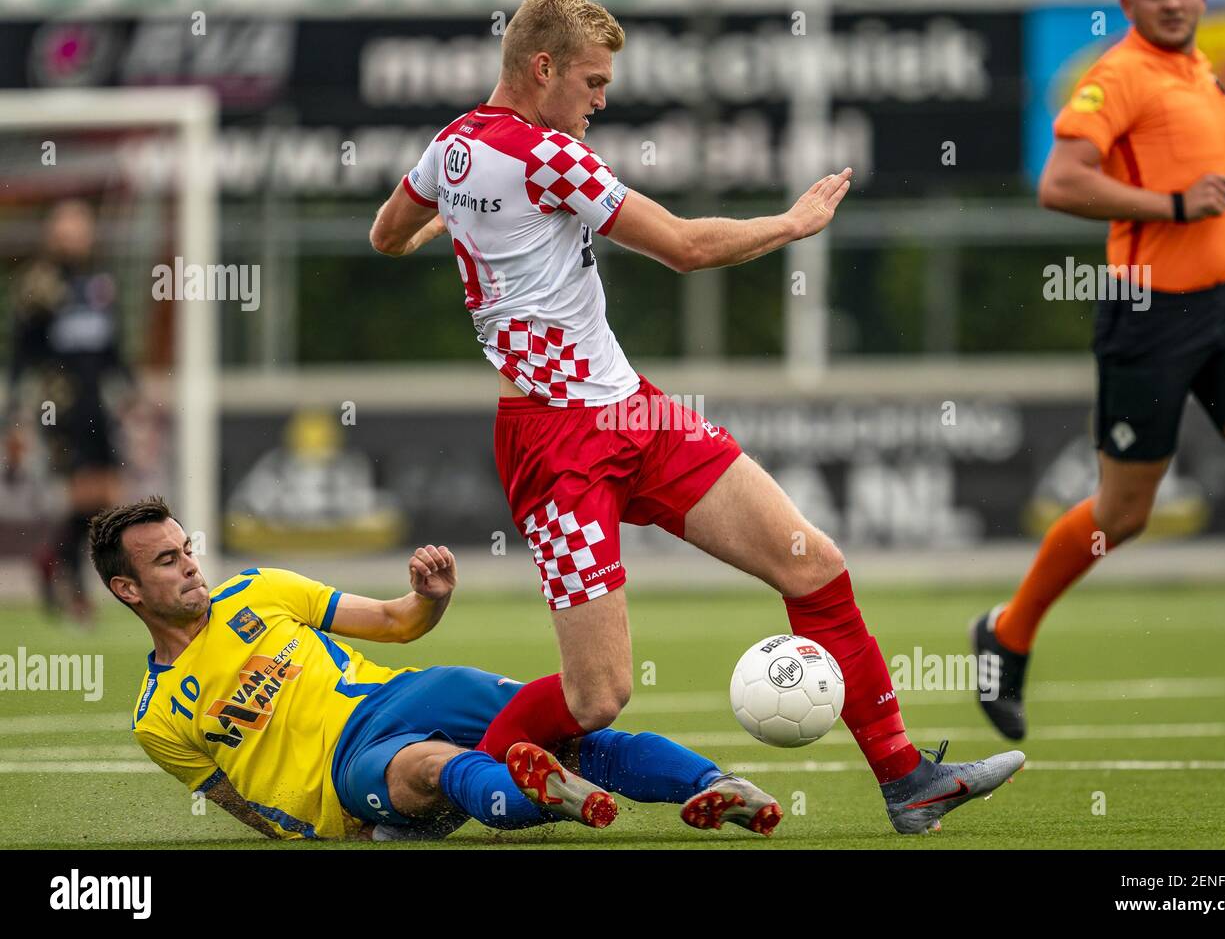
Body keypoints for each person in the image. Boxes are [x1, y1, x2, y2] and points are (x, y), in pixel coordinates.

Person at [368, 0, 1023, 833]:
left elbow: (388, 234)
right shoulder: (548, 155)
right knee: (597, 696)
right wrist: (790, 224)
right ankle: (453, 787)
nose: (602, 100)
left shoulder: (450, 149)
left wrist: (457, 227)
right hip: (556, 442)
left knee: (812, 563)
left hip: (634, 413)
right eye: (593, 81)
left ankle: (906, 779)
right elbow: (682, 247)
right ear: (543, 68)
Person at [970, 0, 1225, 742]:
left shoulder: (1200, 67)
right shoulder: (1117, 75)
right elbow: (1061, 182)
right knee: (1123, 514)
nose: (1173, 3)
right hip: (1150, 318)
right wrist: (1177, 208)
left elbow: (1191, 173)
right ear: (1127, 1)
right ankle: (1007, 632)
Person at [91, 496, 784, 841]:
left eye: (186, 550)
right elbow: (241, 806)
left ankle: (715, 786)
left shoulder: (257, 589)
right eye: (166, 561)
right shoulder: (158, 718)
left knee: (579, 738)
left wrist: (430, 599)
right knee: (427, 768)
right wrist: (335, 830)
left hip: (408, 693)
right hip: (351, 769)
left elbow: (396, 624)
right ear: (127, 590)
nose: (189, 566)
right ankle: (545, 790)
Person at [4, 199, 135, 624]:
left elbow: (112, 345)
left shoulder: (99, 282)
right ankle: (75, 586)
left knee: (107, 496)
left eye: (81, 227)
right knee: (84, 491)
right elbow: (22, 351)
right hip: (61, 404)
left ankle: (51, 559)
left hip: (99, 400)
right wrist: (15, 411)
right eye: (67, 228)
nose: (75, 236)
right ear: (53, 235)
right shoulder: (40, 284)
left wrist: (129, 387)